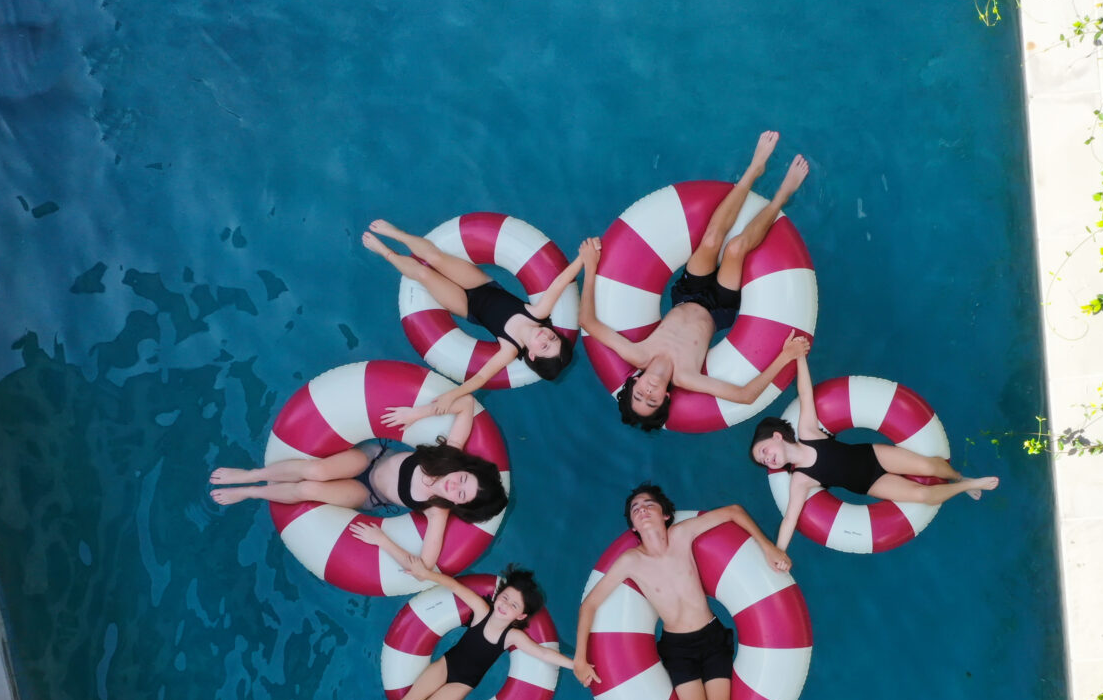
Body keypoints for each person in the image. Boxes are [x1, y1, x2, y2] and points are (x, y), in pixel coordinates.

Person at [574, 484, 791, 700]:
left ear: (665, 514)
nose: (642, 509)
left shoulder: (682, 534)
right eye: (634, 508)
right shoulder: (631, 561)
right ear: (632, 526)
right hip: (677, 649)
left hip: (711, 637)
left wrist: (767, 547)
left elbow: (734, 508)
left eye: (648, 504)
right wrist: (581, 658)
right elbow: (590, 604)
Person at [578, 130, 812, 430]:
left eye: (639, 395)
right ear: (665, 398)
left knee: (713, 240)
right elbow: (745, 396)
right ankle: (783, 195)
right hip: (720, 308)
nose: (648, 392)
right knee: (736, 248)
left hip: (688, 294)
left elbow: (587, 321)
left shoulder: (637, 354)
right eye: (652, 401)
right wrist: (785, 356)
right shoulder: (687, 377)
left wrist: (591, 266)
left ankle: (754, 170)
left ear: (633, 381)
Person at [208, 394, 506, 571]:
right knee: (318, 471)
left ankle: (251, 493)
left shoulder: (436, 512)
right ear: (465, 469)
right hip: (371, 457)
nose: (455, 485)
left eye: (463, 494)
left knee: (308, 490)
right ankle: (251, 475)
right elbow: (466, 403)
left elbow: (424, 566)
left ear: (459, 505)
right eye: (464, 479)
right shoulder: (450, 454)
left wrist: (383, 541)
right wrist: (419, 413)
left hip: (368, 494)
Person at [350, 522, 575, 700]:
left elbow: (543, 653)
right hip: (446, 665)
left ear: (521, 615)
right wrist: (426, 574)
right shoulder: (481, 611)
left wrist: (575, 664)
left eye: (514, 604)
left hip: (463, 683)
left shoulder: (512, 637)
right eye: (505, 597)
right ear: (498, 595)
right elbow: (454, 586)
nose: (505, 605)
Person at [748, 353, 999, 550]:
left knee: (930, 467)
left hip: (874, 455)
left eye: (764, 450)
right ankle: (969, 485)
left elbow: (804, 393)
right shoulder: (800, 481)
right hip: (869, 483)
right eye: (764, 461)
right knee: (921, 496)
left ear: (777, 436)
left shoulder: (807, 432)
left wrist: (799, 356)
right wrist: (779, 552)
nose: (767, 458)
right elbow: (789, 520)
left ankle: (958, 477)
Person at [362, 217, 585, 404]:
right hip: (481, 284)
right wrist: (582, 259)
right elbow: (559, 283)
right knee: (435, 258)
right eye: (553, 337)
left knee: (424, 275)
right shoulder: (537, 314)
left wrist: (452, 396)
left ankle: (384, 251)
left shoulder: (510, 348)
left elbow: (481, 378)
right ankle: (397, 233)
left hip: (465, 307)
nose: (546, 335)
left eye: (545, 345)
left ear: (533, 354)